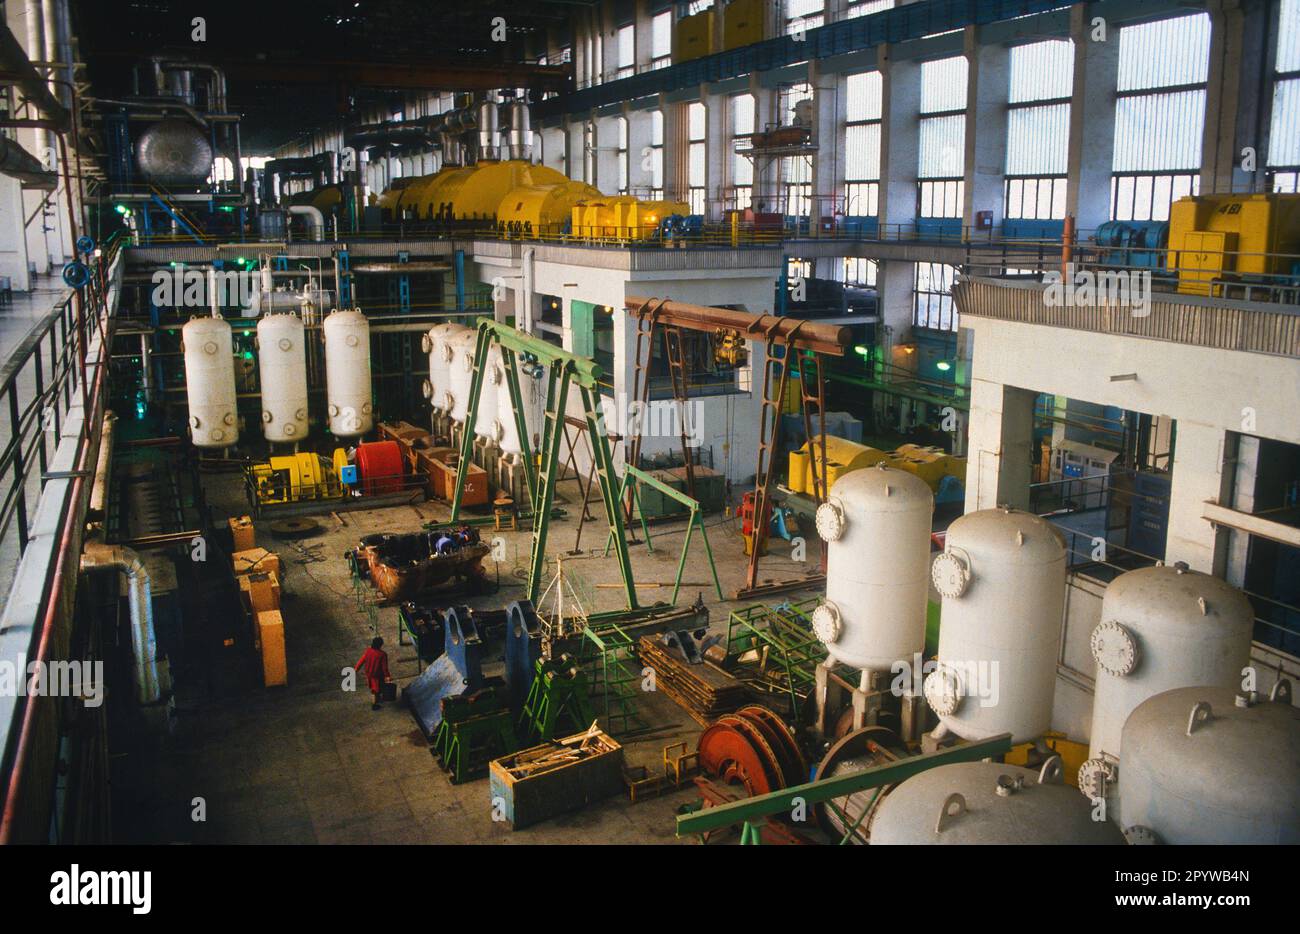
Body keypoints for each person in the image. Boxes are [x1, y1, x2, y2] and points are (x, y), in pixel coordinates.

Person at [354, 637, 391, 710]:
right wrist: (387, 676)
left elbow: (362, 660)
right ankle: (374, 705)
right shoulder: (382, 654)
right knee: (375, 690)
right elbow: (384, 667)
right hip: (377, 675)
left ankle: (377, 698)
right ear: (380, 645)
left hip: (369, 673)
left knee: (374, 688)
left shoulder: (368, 651)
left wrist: (356, 668)